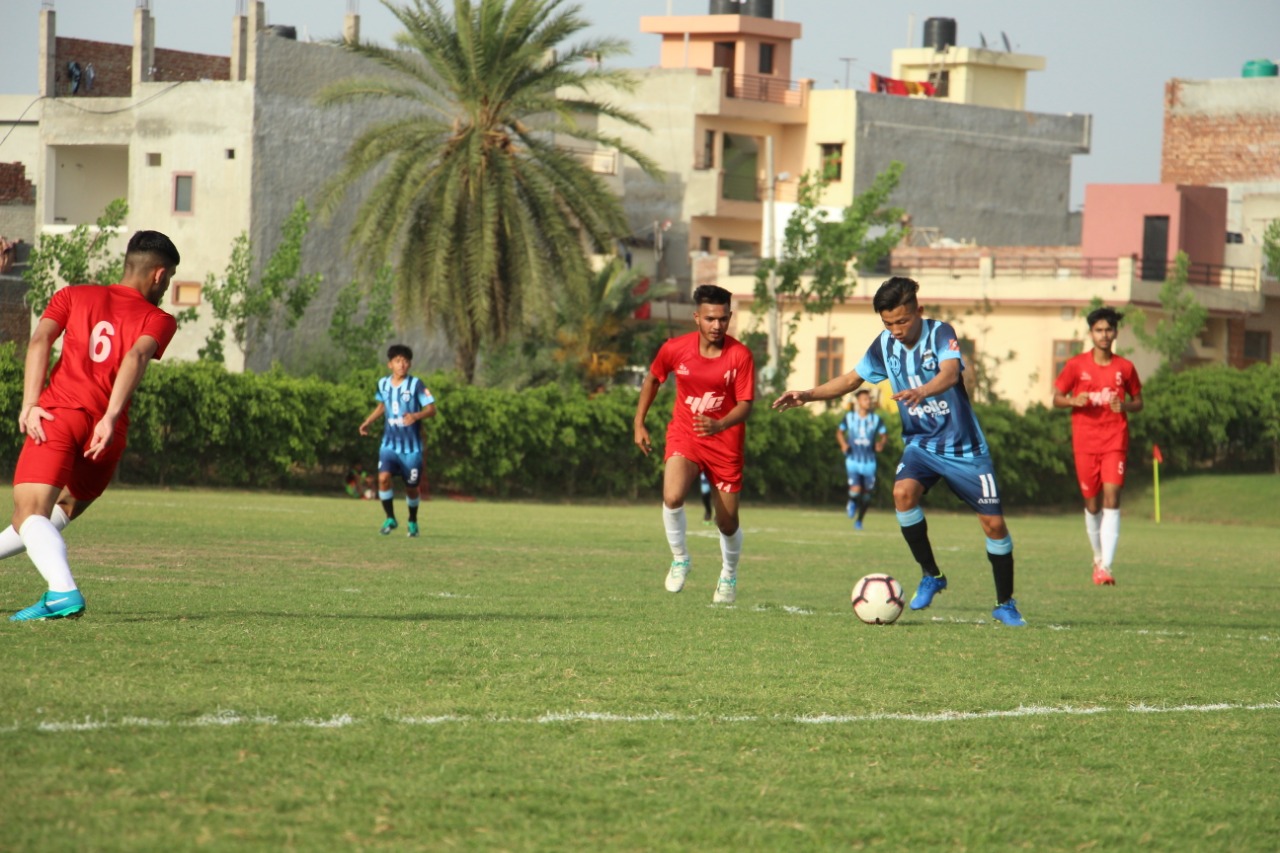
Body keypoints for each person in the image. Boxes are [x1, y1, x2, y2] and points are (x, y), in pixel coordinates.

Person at [773, 276, 1026, 626]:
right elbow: (851, 380)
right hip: (920, 444)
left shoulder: (940, 333)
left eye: (902, 321)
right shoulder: (884, 346)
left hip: (964, 448)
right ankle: (931, 575)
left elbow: (951, 374)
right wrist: (807, 394)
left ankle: (1005, 603)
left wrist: (922, 390)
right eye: (888, 323)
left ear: (918, 310)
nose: (895, 329)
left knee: (994, 525)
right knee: (902, 494)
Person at [4, 230, 180, 621]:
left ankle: (63, 591)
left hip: (58, 417)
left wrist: (30, 404)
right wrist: (111, 418)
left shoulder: (72, 295)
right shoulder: (160, 318)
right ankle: (58, 591)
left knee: (29, 513)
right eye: (168, 280)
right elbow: (135, 356)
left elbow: (39, 343)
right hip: (106, 436)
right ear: (158, 275)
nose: (166, 287)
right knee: (56, 511)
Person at [633, 284, 755, 604]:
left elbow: (745, 405)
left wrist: (720, 423)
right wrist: (639, 422)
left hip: (725, 443)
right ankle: (680, 558)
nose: (717, 326)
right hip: (686, 435)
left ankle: (728, 574)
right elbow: (654, 379)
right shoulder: (675, 349)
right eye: (711, 318)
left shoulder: (740, 355)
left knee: (726, 523)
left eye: (723, 319)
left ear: (729, 317)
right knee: (672, 495)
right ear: (696, 318)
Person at [1053, 306, 1143, 586]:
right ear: (1091, 333)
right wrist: (1072, 401)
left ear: (1115, 332)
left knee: (1112, 498)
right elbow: (1056, 397)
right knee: (1092, 505)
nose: (1104, 335)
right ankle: (1097, 558)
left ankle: (1106, 566)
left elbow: (1139, 402)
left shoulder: (1125, 368)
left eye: (1109, 329)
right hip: (1085, 442)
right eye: (1099, 330)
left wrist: (1124, 405)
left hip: (1115, 439)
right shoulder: (1076, 366)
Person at [359, 344, 437, 537]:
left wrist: (416, 416)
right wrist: (368, 421)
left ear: (409, 364)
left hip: (411, 449)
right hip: (389, 445)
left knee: (411, 488)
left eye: (405, 361)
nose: (402, 364)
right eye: (397, 361)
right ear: (390, 364)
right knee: (383, 478)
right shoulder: (383, 384)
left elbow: (432, 409)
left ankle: (412, 521)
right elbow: (382, 406)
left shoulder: (416, 384)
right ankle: (390, 518)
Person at [837, 387, 887, 530]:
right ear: (858, 401)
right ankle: (852, 502)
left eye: (869, 399)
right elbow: (839, 432)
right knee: (855, 490)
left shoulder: (876, 419)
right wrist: (843, 444)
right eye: (865, 399)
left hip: (869, 462)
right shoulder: (849, 417)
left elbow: (884, 436)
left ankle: (859, 520)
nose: (868, 402)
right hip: (853, 460)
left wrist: (880, 444)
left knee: (866, 496)